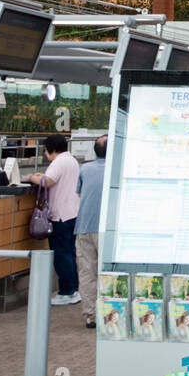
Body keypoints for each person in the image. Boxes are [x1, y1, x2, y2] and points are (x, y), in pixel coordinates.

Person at [29, 134, 82, 306]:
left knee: (62, 254)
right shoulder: (71, 160)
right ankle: (73, 289)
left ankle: (67, 291)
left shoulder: (58, 162)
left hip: (61, 215)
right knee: (70, 253)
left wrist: (31, 177)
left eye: (46, 150)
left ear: (51, 149)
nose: (45, 154)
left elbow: (48, 181)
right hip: (72, 212)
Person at [76, 134, 107, 330]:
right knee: (107, 272)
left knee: (87, 272)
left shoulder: (85, 169)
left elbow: (79, 193)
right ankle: (110, 312)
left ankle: (91, 316)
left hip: (84, 226)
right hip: (107, 230)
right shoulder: (117, 170)